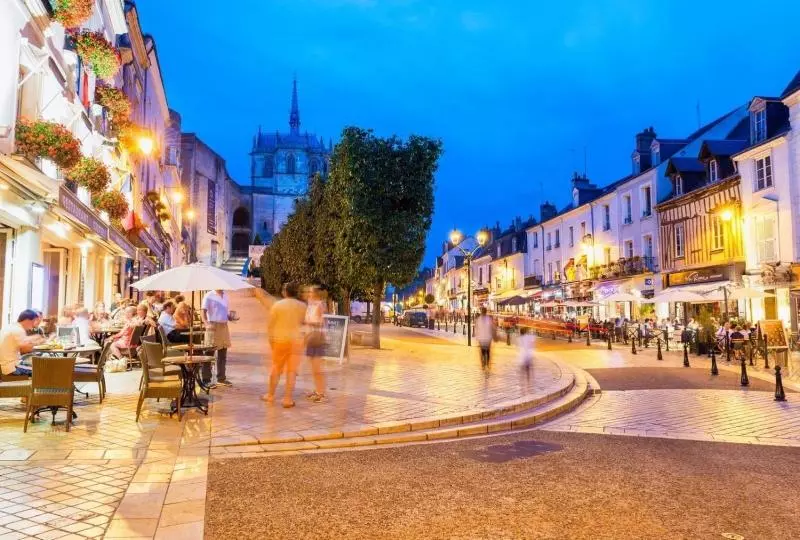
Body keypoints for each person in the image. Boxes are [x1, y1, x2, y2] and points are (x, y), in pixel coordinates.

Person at [264, 282, 307, 407]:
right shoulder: (302, 306)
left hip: (280, 341)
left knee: (276, 368)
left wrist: (271, 341)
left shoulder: (277, 306)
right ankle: (288, 399)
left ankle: (270, 395)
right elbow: (304, 323)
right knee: (292, 371)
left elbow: (270, 326)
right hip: (296, 341)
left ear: (285, 292)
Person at [201, 289, 233, 388]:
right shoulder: (209, 295)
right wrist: (206, 324)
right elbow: (203, 312)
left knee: (223, 353)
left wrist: (230, 317)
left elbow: (224, 313)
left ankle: (221, 378)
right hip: (213, 325)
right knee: (209, 353)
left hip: (224, 326)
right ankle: (206, 379)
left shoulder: (225, 296)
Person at [0, 310, 45, 377]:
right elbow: (25, 350)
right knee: (41, 371)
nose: (34, 325)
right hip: (11, 369)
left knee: (31, 363)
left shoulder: (10, 327)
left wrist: (34, 339)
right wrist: (39, 341)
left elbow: (22, 342)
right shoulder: (18, 330)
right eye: (34, 321)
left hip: (4, 366)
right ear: (27, 320)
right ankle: (32, 387)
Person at [304, 285, 327, 403]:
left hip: (317, 339)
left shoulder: (319, 305)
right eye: (308, 292)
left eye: (311, 292)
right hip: (310, 338)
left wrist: (309, 322)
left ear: (316, 294)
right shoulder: (310, 305)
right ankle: (317, 390)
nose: (308, 293)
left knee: (317, 368)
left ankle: (321, 393)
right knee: (313, 368)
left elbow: (320, 322)